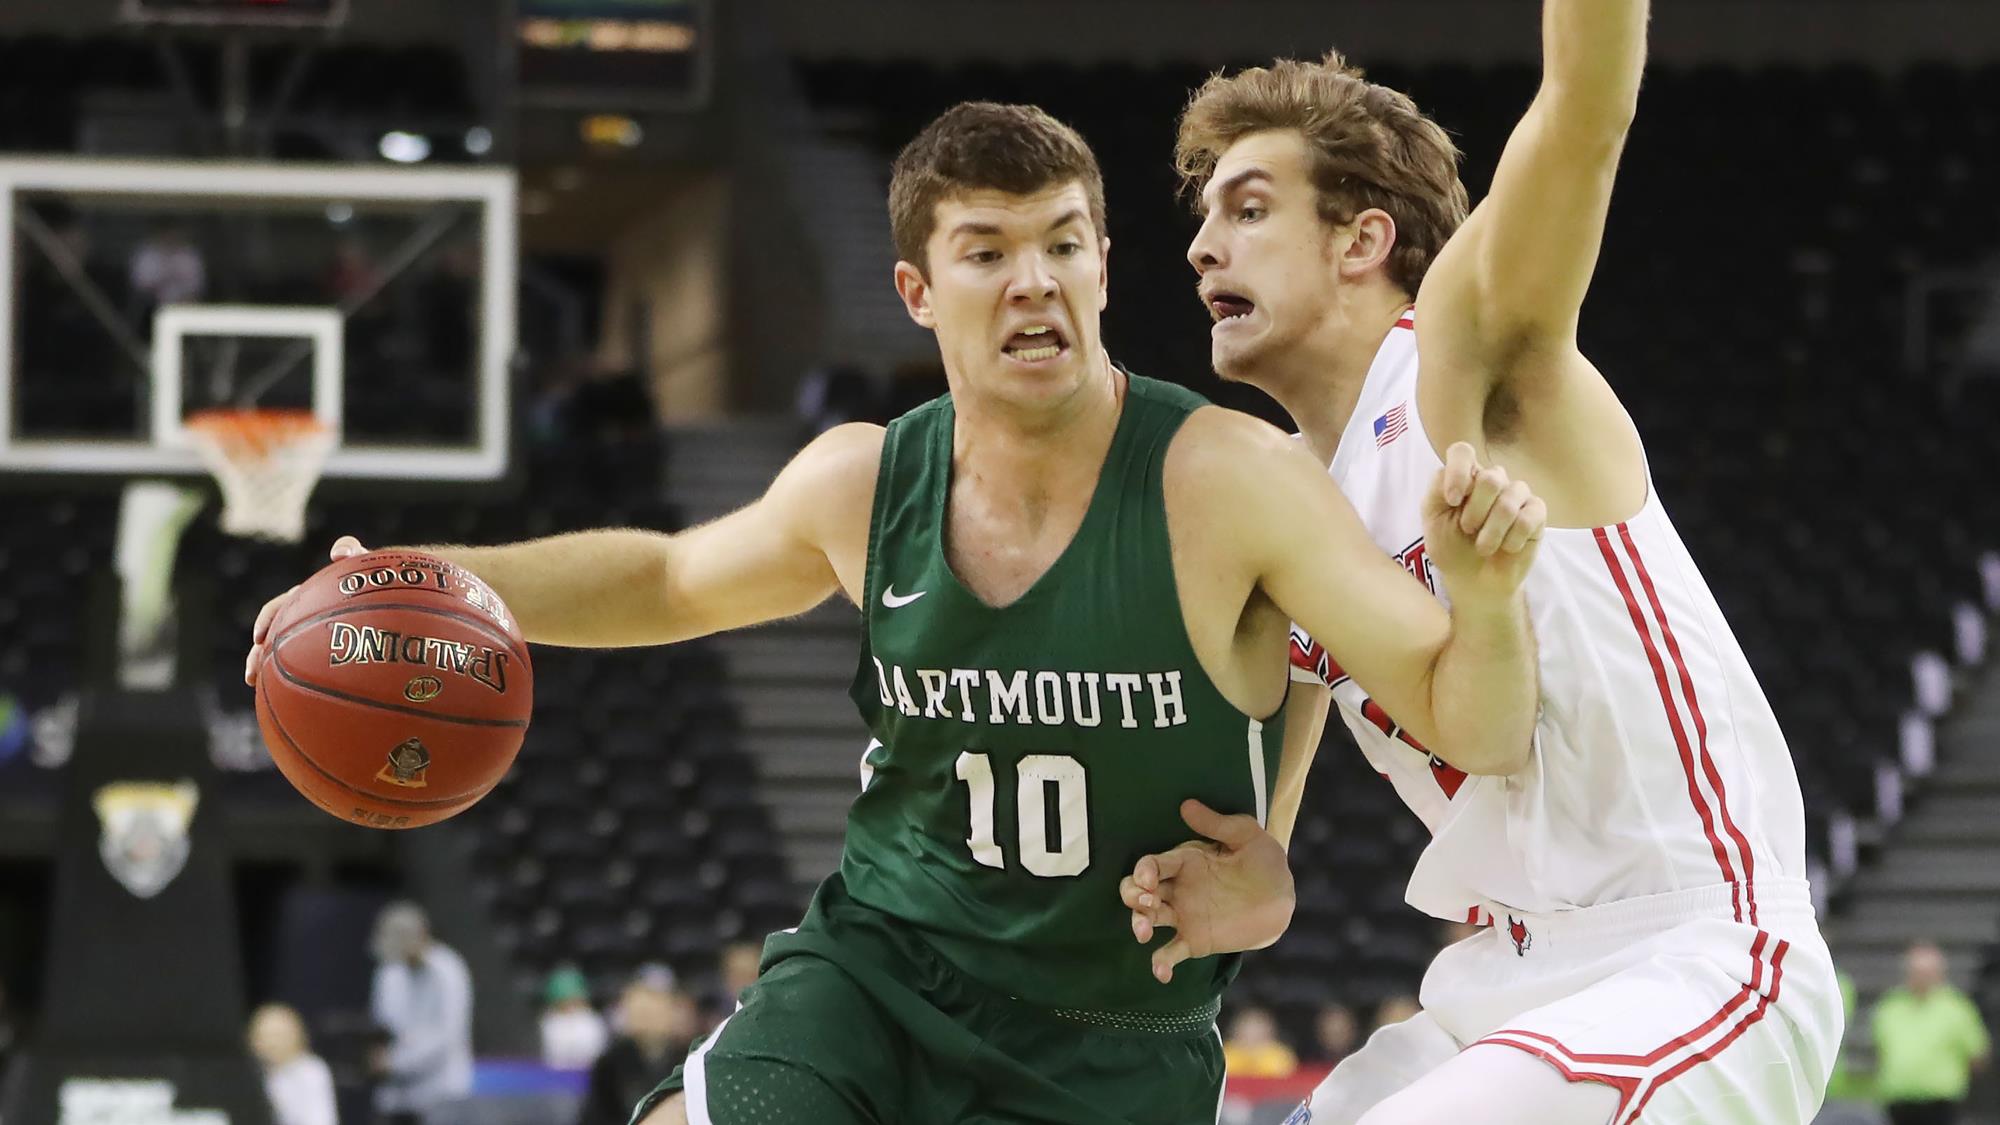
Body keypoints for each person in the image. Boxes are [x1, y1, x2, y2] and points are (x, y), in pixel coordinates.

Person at [248, 101, 1548, 1125]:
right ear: (919, 292)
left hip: (1111, 1034)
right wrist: (412, 576)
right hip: (878, 975)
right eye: (987, 253)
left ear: (1105, 263)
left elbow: (1472, 723)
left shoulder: (1234, 481)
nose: (1033, 282)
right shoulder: (865, 479)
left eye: (1062, 243)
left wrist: (1483, 603)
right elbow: (667, 577)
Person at [1119, 4, 1844, 1123]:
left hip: (1689, 949)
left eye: (1248, 208)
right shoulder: (1278, 515)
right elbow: (1268, 818)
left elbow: (1582, 113)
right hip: (1499, 983)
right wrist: (1251, 875)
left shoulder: (1459, 357)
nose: (1201, 245)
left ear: (1360, 241)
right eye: (1204, 216)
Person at [367, 903, 473, 1125]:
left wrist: (396, 1063)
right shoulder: (390, 971)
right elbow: (382, 1023)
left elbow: (447, 1035)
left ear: (422, 936)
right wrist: (379, 1054)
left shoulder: (448, 970)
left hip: (440, 1093)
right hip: (397, 1096)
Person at [1871, 942, 1990, 1125]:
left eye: (1927, 972)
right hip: (1899, 1101)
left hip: (1941, 1103)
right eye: (1916, 971)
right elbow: (1880, 1049)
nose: (1922, 977)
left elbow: (1976, 1055)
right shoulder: (1890, 1006)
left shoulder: (1957, 1007)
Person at [577, 967, 699, 1125]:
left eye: (655, 1005)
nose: (645, 1012)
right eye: (639, 1005)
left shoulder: (691, 1062)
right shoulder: (609, 1064)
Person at [248, 1003, 339, 1125]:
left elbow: (321, 1120)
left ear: (296, 1035)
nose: (270, 1043)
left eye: (277, 1036)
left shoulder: (311, 1070)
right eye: (263, 1036)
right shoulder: (252, 1072)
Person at [540, 963, 610, 1071]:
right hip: (555, 1078)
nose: (570, 1005)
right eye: (563, 1002)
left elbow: (598, 1055)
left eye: (574, 1000)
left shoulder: (592, 1022)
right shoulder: (548, 1023)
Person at [1222, 1006, 1298, 1078]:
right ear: (1236, 1034)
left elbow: (1284, 1074)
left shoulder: (1282, 1055)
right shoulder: (1224, 1054)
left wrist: (1258, 1058)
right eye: (1246, 1035)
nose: (1252, 1042)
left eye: (1258, 1036)